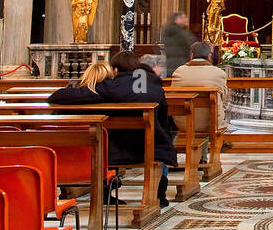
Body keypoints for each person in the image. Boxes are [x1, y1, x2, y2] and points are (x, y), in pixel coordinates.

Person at [49, 50, 177, 207]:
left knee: (107, 135)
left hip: (113, 151)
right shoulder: (155, 88)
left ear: (115, 70)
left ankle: (105, 190)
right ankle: (159, 193)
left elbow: (59, 97)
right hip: (150, 148)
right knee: (159, 135)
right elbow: (164, 119)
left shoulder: (107, 87)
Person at [171, 41, 228, 136]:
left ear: (191, 55)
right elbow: (224, 99)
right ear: (209, 56)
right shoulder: (218, 73)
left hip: (183, 124)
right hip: (211, 124)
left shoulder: (179, 72)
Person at [160, 11, 194, 78]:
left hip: (168, 66)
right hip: (180, 67)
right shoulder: (183, 34)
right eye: (183, 17)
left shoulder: (165, 31)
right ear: (177, 20)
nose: (186, 19)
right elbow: (191, 47)